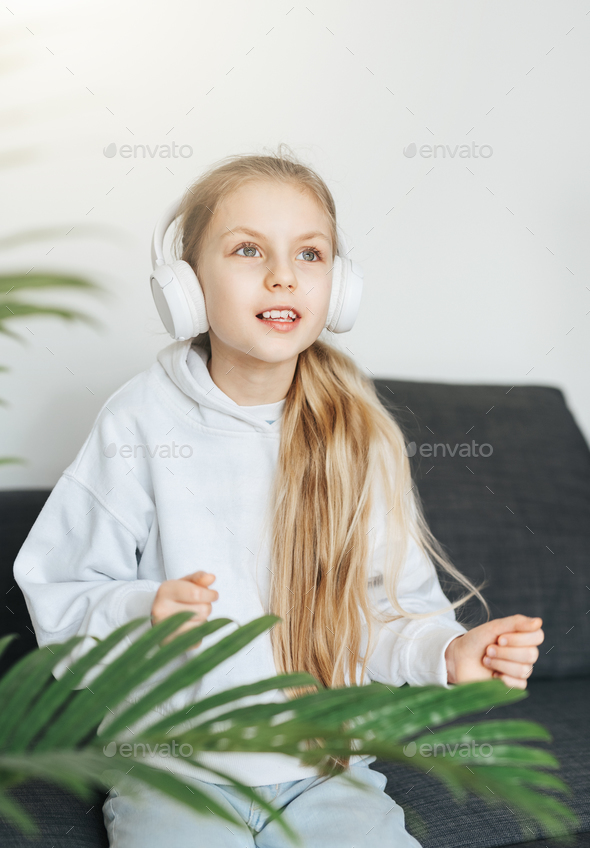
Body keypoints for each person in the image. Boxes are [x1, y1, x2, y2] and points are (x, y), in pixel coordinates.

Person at [13, 145, 544, 847]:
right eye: (247, 251)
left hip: (328, 769)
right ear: (186, 286)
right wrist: (145, 613)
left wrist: (447, 656)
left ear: (340, 286)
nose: (283, 277)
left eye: (310, 255)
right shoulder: (138, 421)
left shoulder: (360, 433)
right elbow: (58, 592)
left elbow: (383, 617)